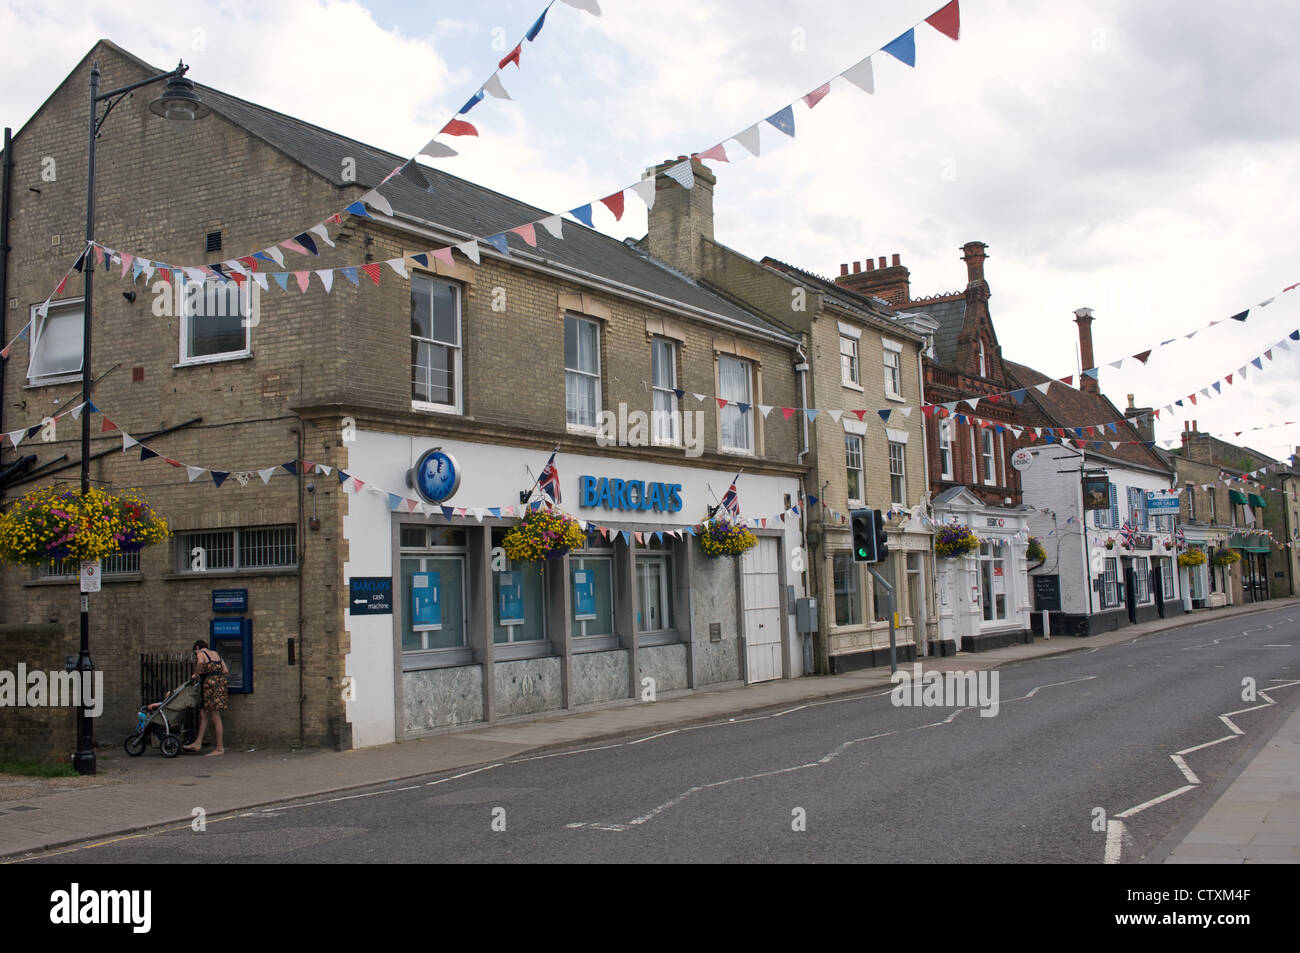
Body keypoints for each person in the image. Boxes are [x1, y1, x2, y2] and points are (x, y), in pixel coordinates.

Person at [183, 639, 228, 756]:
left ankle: (220, 748)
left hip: (210, 686)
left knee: (215, 716)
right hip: (220, 685)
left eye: (195, 652)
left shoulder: (201, 654)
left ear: (197, 648)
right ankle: (198, 743)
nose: (196, 654)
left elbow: (200, 663)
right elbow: (226, 670)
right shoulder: (217, 654)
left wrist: (196, 674)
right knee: (204, 714)